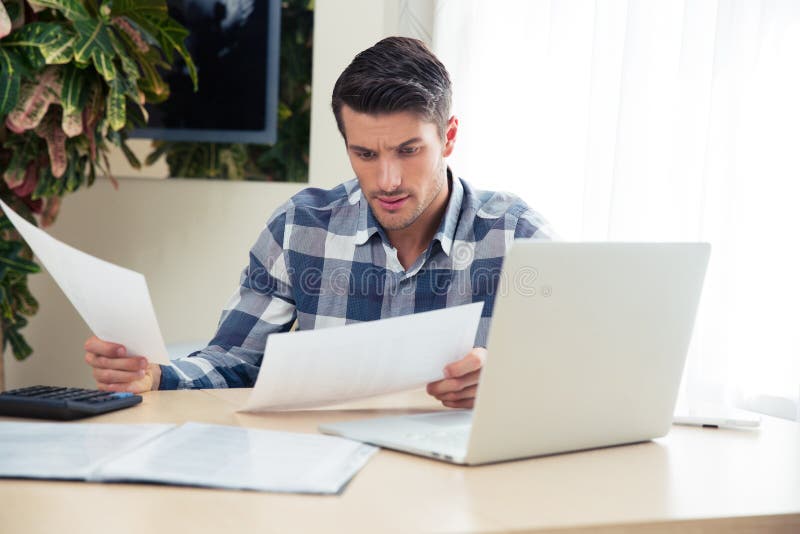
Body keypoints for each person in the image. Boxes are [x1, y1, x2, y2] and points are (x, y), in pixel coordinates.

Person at [84, 37, 554, 408]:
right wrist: (156, 375)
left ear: (448, 137)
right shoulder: (302, 226)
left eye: (409, 151)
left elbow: (582, 375)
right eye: (365, 154)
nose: (386, 180)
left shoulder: (517, 237)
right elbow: (236, 361)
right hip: (324, 477)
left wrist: (506, 381)